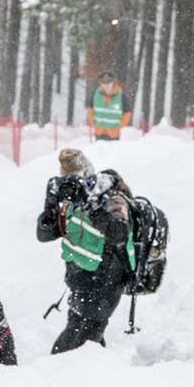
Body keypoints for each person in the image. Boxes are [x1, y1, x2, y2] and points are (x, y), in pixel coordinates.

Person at [37, 148, 134, 353]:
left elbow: (119, 233)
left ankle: (57, 377)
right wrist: (52, 206)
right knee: (86, 342)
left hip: (106, 281)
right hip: (80, 280)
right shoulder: (70, 197)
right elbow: (44, 234)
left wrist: (91, 207)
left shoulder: (110, 195)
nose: (72, 186)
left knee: (80, 342)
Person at [88, 71, 131, 141]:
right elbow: (90, 109)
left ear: (113, 82)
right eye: (104, 82)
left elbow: (127, 113)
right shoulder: (95, 94)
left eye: (109, 82)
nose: (107, 85)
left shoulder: (121, 95)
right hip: (99, 134)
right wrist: (94, 124)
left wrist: (119, 126)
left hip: (114, 135)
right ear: (100, 83)